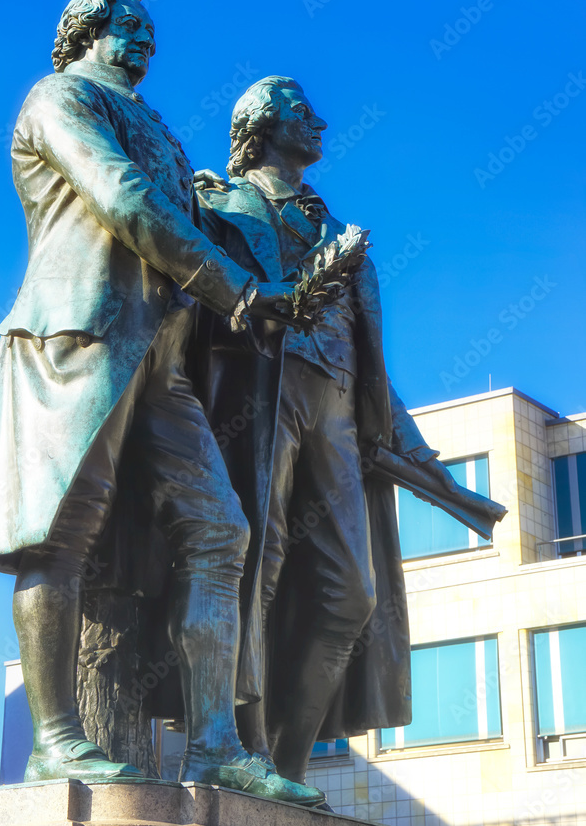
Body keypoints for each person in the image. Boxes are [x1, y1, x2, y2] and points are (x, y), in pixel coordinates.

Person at [0, 0, 324, 805]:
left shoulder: (155, 123)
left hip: (160, 355)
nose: (146, 37)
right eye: (129, 25)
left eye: (152, 27)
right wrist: (237, 288)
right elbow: (123, 199)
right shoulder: (61, 98)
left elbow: (184, 214)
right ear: (85, 34)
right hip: (78, 334)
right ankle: (56, 742)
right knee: (60, 536)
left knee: (220, 531)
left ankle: (215, 745)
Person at [195, 75, 506, 789]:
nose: (320, 122)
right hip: (253, 403)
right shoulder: (220, 203)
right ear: (261, 125)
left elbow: (373, 365)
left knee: (348, 594)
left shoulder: (343, 236)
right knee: (252, 578)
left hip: (334, 411)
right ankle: (241, 757)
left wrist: (426, 462)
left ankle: (289, 763)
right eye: (302, 112)